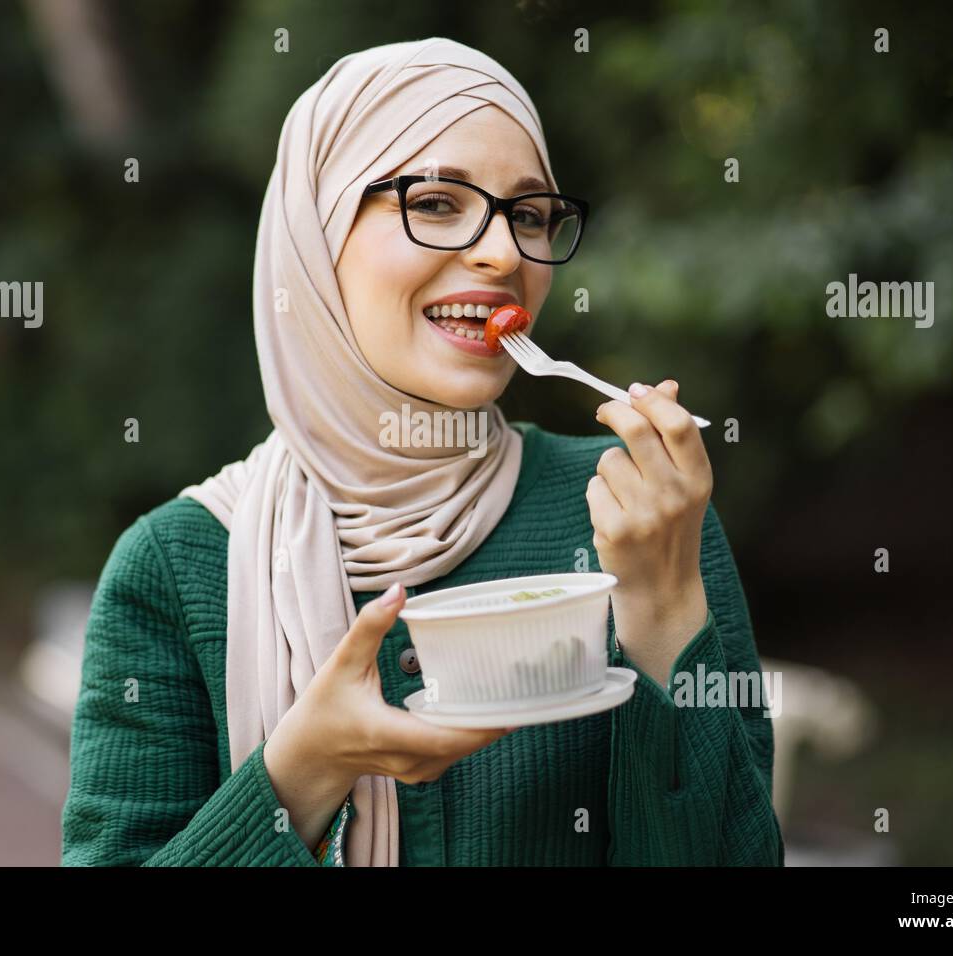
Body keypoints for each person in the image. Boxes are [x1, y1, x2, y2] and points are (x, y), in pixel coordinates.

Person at [60, 37, 783, 867]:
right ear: (317, 234)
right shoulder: (175, 567)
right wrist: (305, 768)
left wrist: (660, 604)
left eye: (529, 213)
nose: (505, 253)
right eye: (437, 201)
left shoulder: (639, 514)